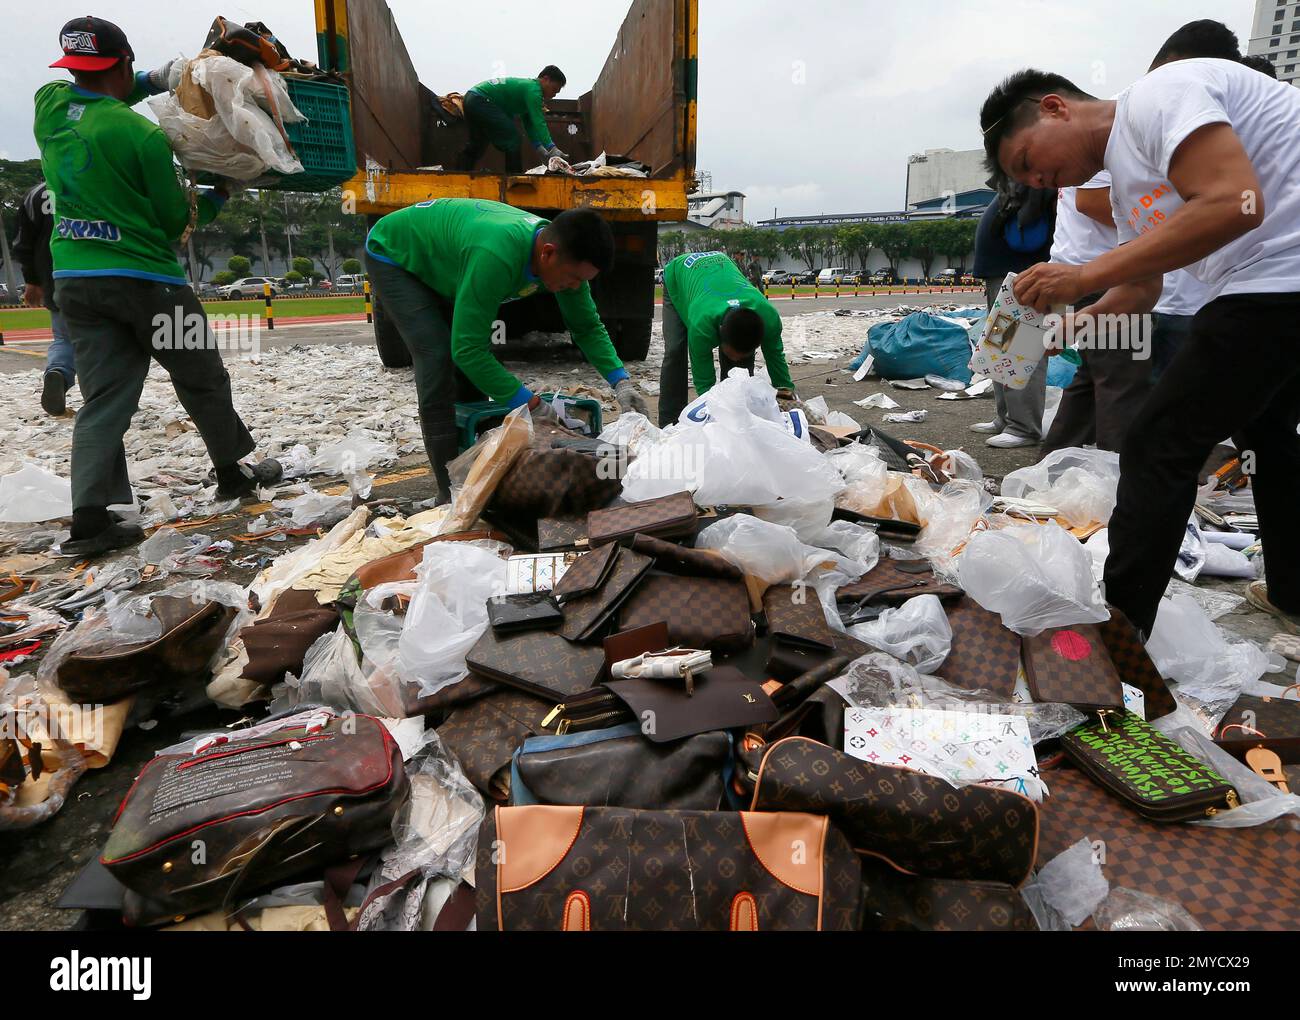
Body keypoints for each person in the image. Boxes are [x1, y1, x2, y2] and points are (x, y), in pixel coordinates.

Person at [980, 60, 1300, 636]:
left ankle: (1120, 636)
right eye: (1026, 182)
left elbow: (1232, 200)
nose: (1038, 181)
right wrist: (1073, 324)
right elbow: (1143, 287)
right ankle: (1293, 591)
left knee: (1158, 443)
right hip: (1268, 283)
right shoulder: (1128, 184)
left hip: (1278, 277)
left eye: (1028, 161)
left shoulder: (1158, 95)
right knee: (1268, 437)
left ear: (1055, 107)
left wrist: (1081, 275)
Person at [36, 16, 281, 557]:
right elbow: (176, 222)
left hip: (75, 281)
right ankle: (234, 473)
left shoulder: (48, 106)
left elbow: (100, 94)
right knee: (201, 378)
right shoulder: (144, 136)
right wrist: (225, 188)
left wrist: (149, 80)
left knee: (104, 397)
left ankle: (92, 519)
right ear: (122, 62)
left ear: (72, 66)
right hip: (148, 284)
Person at [364, 198, 651, 502]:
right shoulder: (497, 256)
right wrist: (531, 404)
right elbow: (468, 351)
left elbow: (587, 327)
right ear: (548, 253)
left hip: (449, 257)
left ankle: (473, 476)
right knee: (437, 355)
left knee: (472, 374)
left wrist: (621, 381)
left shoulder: (561, 260)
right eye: (574, 278)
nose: (575, 286)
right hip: (394, 253)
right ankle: (448, 495)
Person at [1038, 168, 1155, 456]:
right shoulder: (1100, 148)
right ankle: (1119, 479)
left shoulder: (1086, 151)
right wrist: (1162, 229)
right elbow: (1089, 202)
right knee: (1121, 383)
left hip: (1092, 271)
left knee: (1092, 378)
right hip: (1105, 274)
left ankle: (1051, 468)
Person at [657, 250, 796, 427]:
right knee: (675, 349)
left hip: (721, 265)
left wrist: (789, 400)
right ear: (720, 334)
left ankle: (740, 417)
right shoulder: (702, 325)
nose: (738, 358)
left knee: (739, 371)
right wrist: (709, 419)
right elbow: (704, 381)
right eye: (736, 353)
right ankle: (670, 423)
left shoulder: (768, 318)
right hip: (679, 274)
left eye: (745, 353)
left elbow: (775, 358)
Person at [969, 180, 1056, 448]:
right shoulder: (1020, 179)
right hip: (1005, 271)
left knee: (1021, 347)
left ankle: (1023, 426)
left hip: (1023, 271)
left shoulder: (1042, 180)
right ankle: (1006, 418)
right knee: (1001, 347)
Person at [13, 182, 76, 416]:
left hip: (54, 274)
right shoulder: (100, 175)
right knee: (107, 339)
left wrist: (32, 280)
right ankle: (107, 396)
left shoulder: (37, 193)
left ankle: (58, 372)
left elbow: (23, 241)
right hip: (101, 271)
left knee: (63, 338)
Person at [457, 67, 568, 173]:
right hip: (480, 99)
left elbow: (529, 123)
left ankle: (460, 174)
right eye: (554, 89)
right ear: (545, 79)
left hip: (471, 98)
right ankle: (514, 177)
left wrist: (538, 147)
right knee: (513, 139)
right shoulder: (534, 91)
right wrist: (551, 147)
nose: (554, 95)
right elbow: (539, 122)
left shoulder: (529, 90)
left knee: (478, 142)